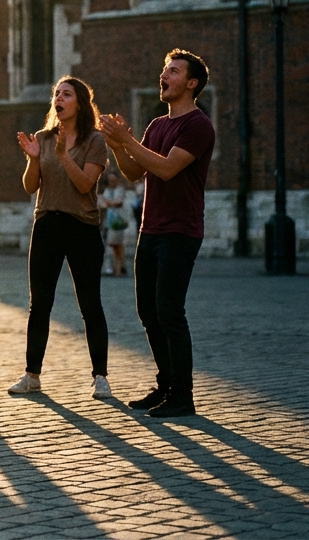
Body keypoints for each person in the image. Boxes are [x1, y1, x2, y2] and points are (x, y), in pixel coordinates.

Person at [100, 49, 215, 418]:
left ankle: (183, 396)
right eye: (164, 69)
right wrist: (117, 145)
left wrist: (128, 141)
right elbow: (135, 173)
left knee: (169, 310)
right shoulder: (156, 126)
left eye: (174, 71)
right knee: (147, 310)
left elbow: (166, 169)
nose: (164, 75)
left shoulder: (197, 125)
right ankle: (166, 385)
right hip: (150, 229)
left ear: (191, 83)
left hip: (181, 230)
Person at [7, 77, 112, 400]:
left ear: (79, 102)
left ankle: (101, 377)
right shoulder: (43, 137)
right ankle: (32, 375)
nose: (58, 98)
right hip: (47, 225)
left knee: (89, 304)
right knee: (39, 305)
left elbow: (85, 186)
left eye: (66, 94)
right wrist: (35, 158)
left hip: (82, 226)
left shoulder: (95, 140)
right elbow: (30, 186)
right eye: (55, 93)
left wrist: (64, 155)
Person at [98, 172, 131, 277]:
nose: (111, 182)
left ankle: (120, 268)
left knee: (117, 245)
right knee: (113, 245)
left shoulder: (120, 189)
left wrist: (109, 202)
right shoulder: (107, 190)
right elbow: (104, 203)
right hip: (109, 221)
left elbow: (118, 203)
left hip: (118, 221)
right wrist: (110, 203)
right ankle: (118, 267)